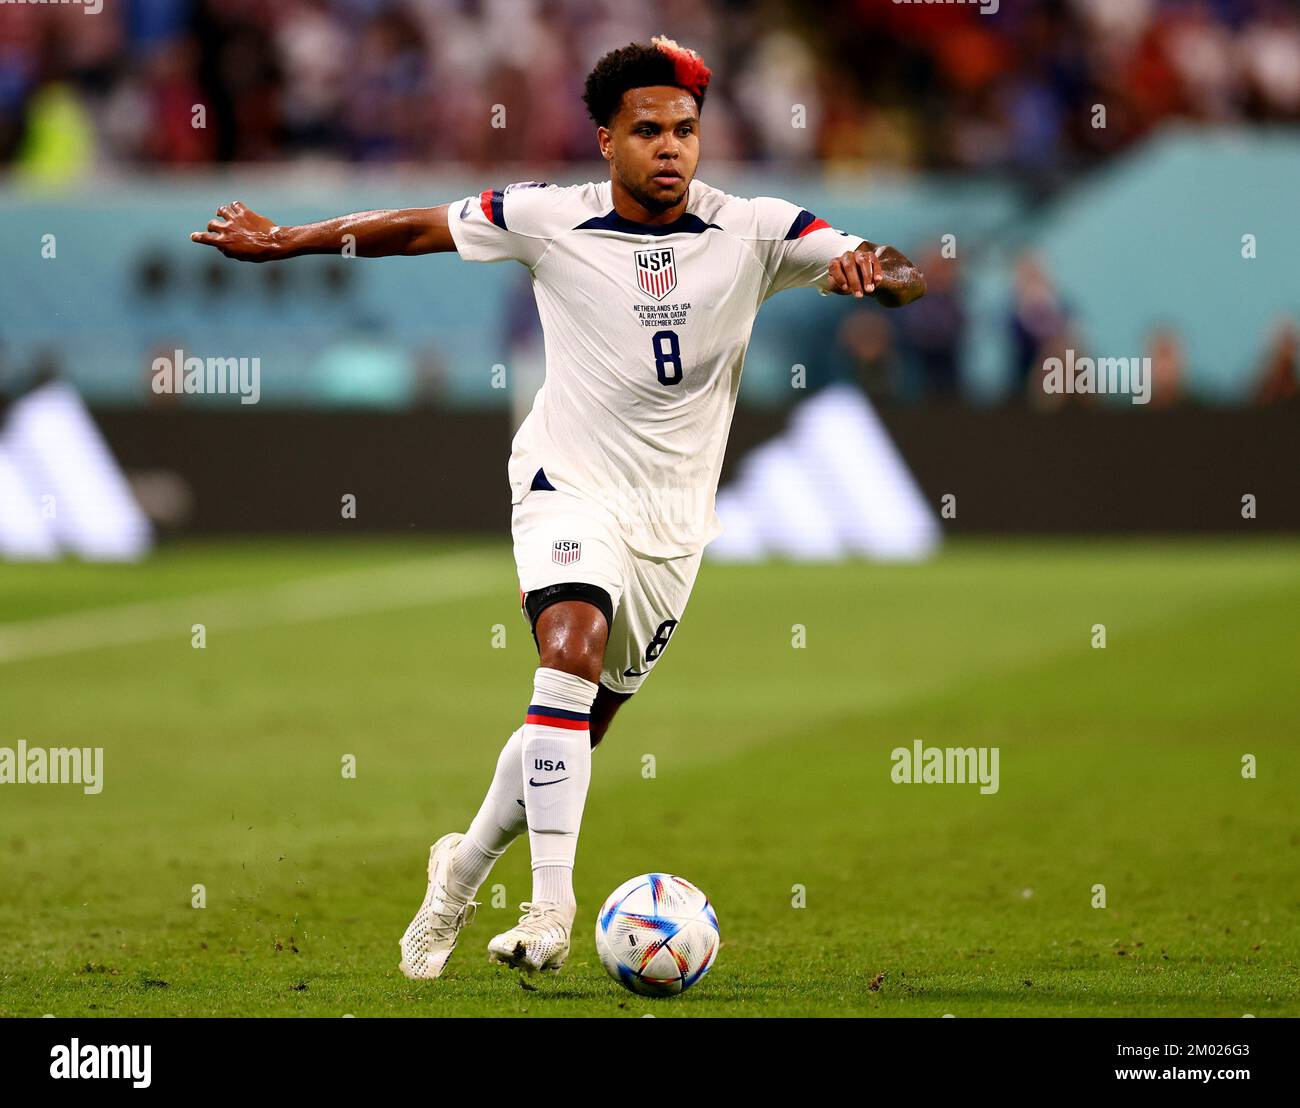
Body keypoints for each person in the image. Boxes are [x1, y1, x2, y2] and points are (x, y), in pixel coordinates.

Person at [190, 35, 925, 981]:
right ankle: (550, 909)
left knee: (575, 722)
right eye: (648, 130)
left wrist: (881, 275)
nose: (671, 146)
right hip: (566, 484)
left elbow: (891, 263)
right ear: (607, 141)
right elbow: (414, 228)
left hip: (673, 525)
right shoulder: (545, 217)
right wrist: (283, 239)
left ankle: (459, 872)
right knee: (567, 652)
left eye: (686, 130)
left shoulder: (756, 229)